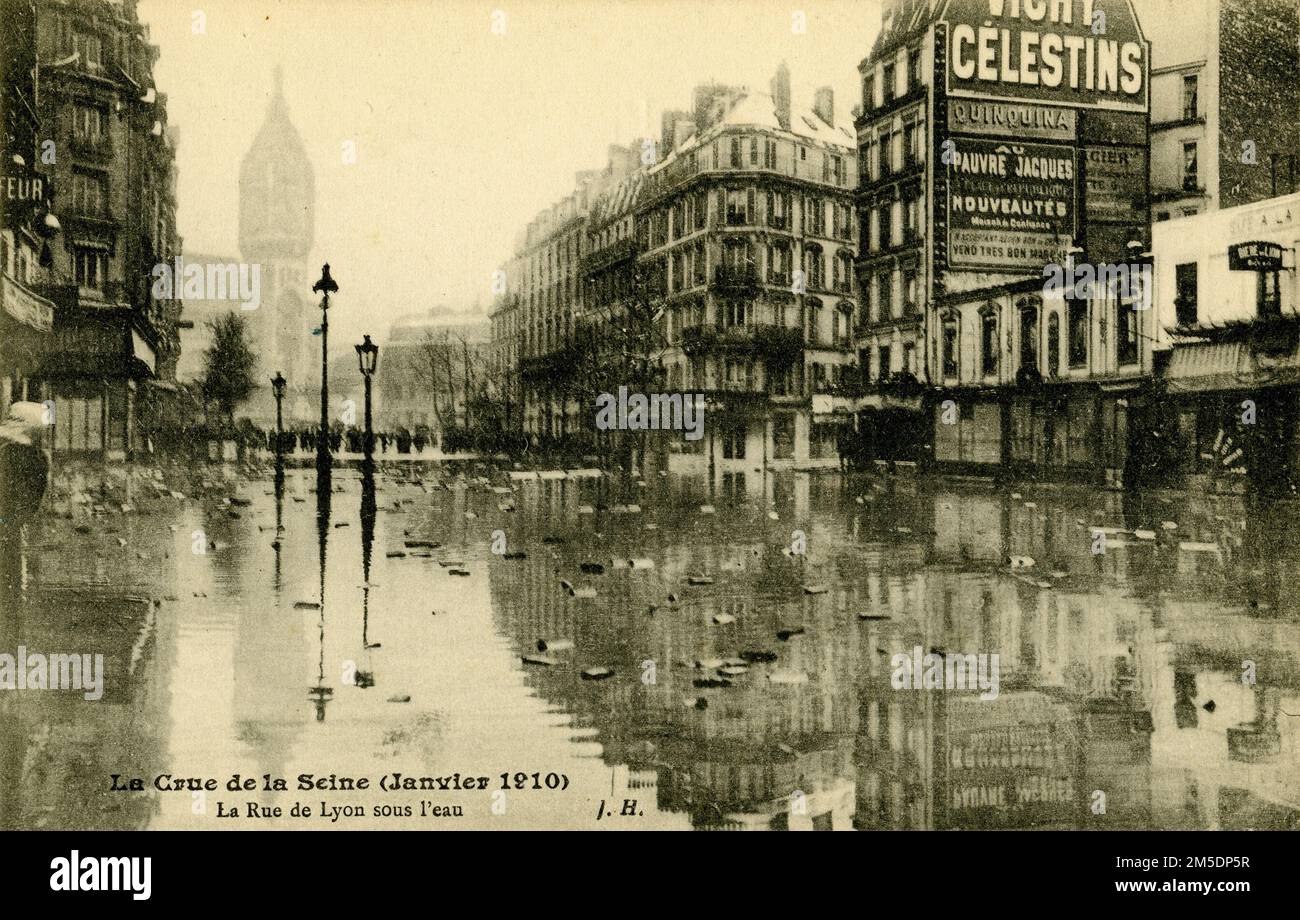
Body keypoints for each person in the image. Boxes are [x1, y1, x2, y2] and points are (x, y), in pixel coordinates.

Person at [0, 402, 50, 611]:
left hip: (7, 526)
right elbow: (30, 502)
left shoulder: (9, 452)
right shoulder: (35, 457)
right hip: (10, 528)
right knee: (10, 592)